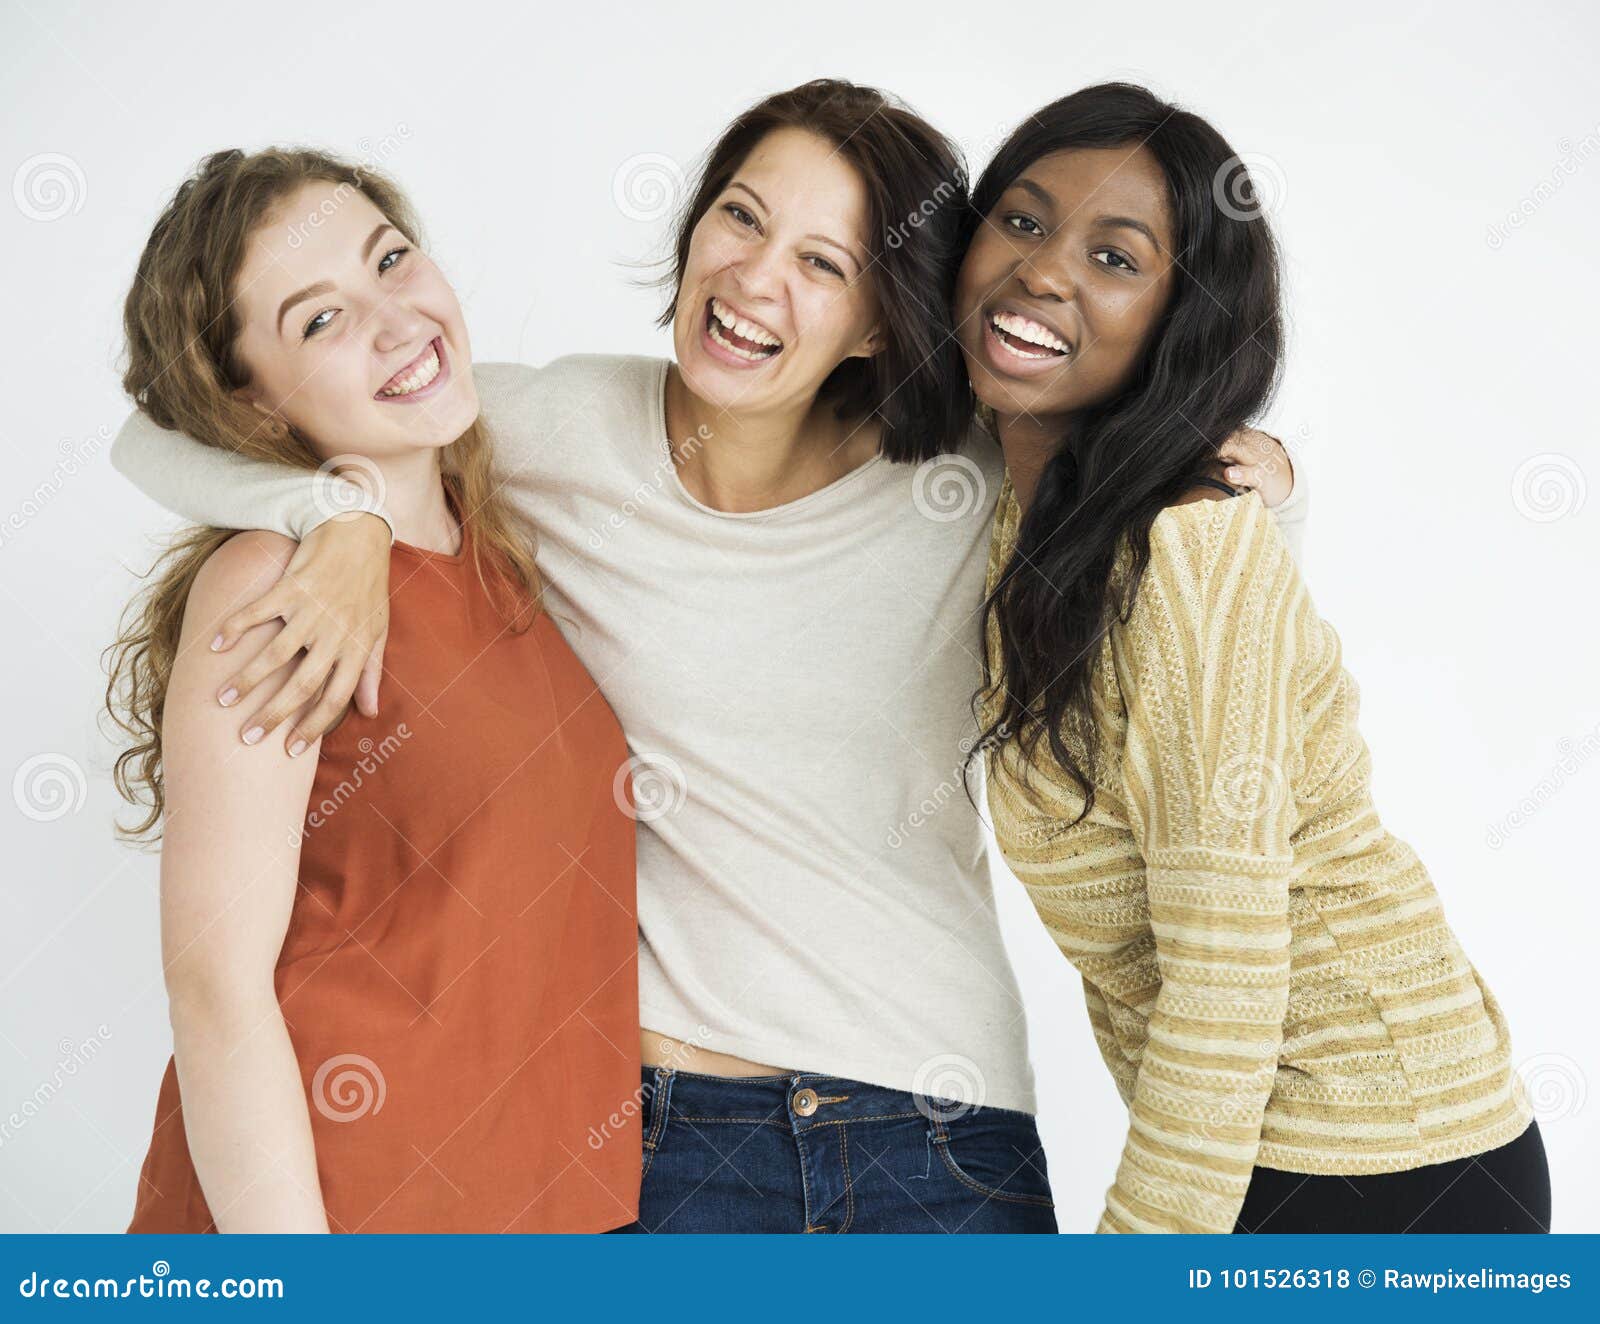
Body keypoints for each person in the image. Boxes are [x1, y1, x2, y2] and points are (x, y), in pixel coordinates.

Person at [108, 83, 1304, 1232]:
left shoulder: (972, 482)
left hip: (942, 1136)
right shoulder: (542, 433)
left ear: (882, 315)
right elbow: (163, 430)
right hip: (664, 1146)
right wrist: (334, 514)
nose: (754, 277)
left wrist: (1270, 482)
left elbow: (1182, 513)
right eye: (740, 215)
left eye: (823, 262)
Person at [959, 83, 1549, 1234]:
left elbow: (1227, 979)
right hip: (1269, 1149)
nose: (1043, 270)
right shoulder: (1013, 504)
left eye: (1116, 258)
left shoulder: (1182, 547)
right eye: (1022, 222)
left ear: (1178, 324)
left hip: (1382, 1170)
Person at [108, 148, 638, 1233]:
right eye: (319, 320)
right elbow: (216, 990)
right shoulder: (268, 583)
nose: (398, 321)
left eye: (391, 260)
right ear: (244, 396)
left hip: (547, 1215)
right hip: (340, 1214)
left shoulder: (505, 553)